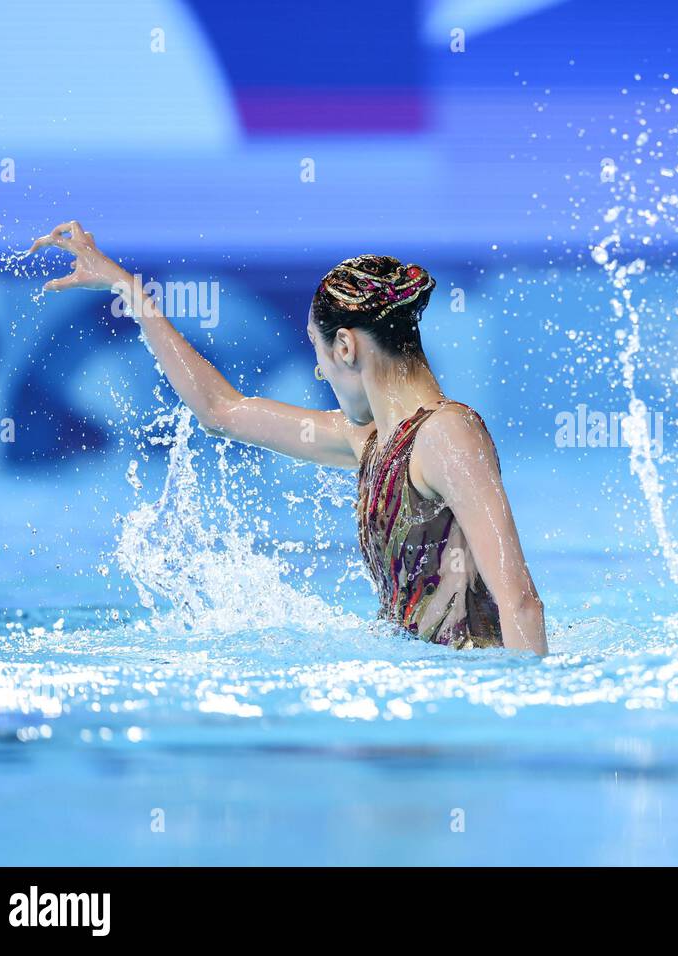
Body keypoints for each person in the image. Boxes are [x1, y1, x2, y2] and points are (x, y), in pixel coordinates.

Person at [32, 221, 547, 654]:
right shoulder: (370, 442)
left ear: (344, 346)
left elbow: (518, 599)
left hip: (471, 704)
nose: (319, 374)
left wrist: (530, 729)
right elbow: (221, 411)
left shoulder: (448, 435)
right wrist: (131, 292)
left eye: (315, 351)